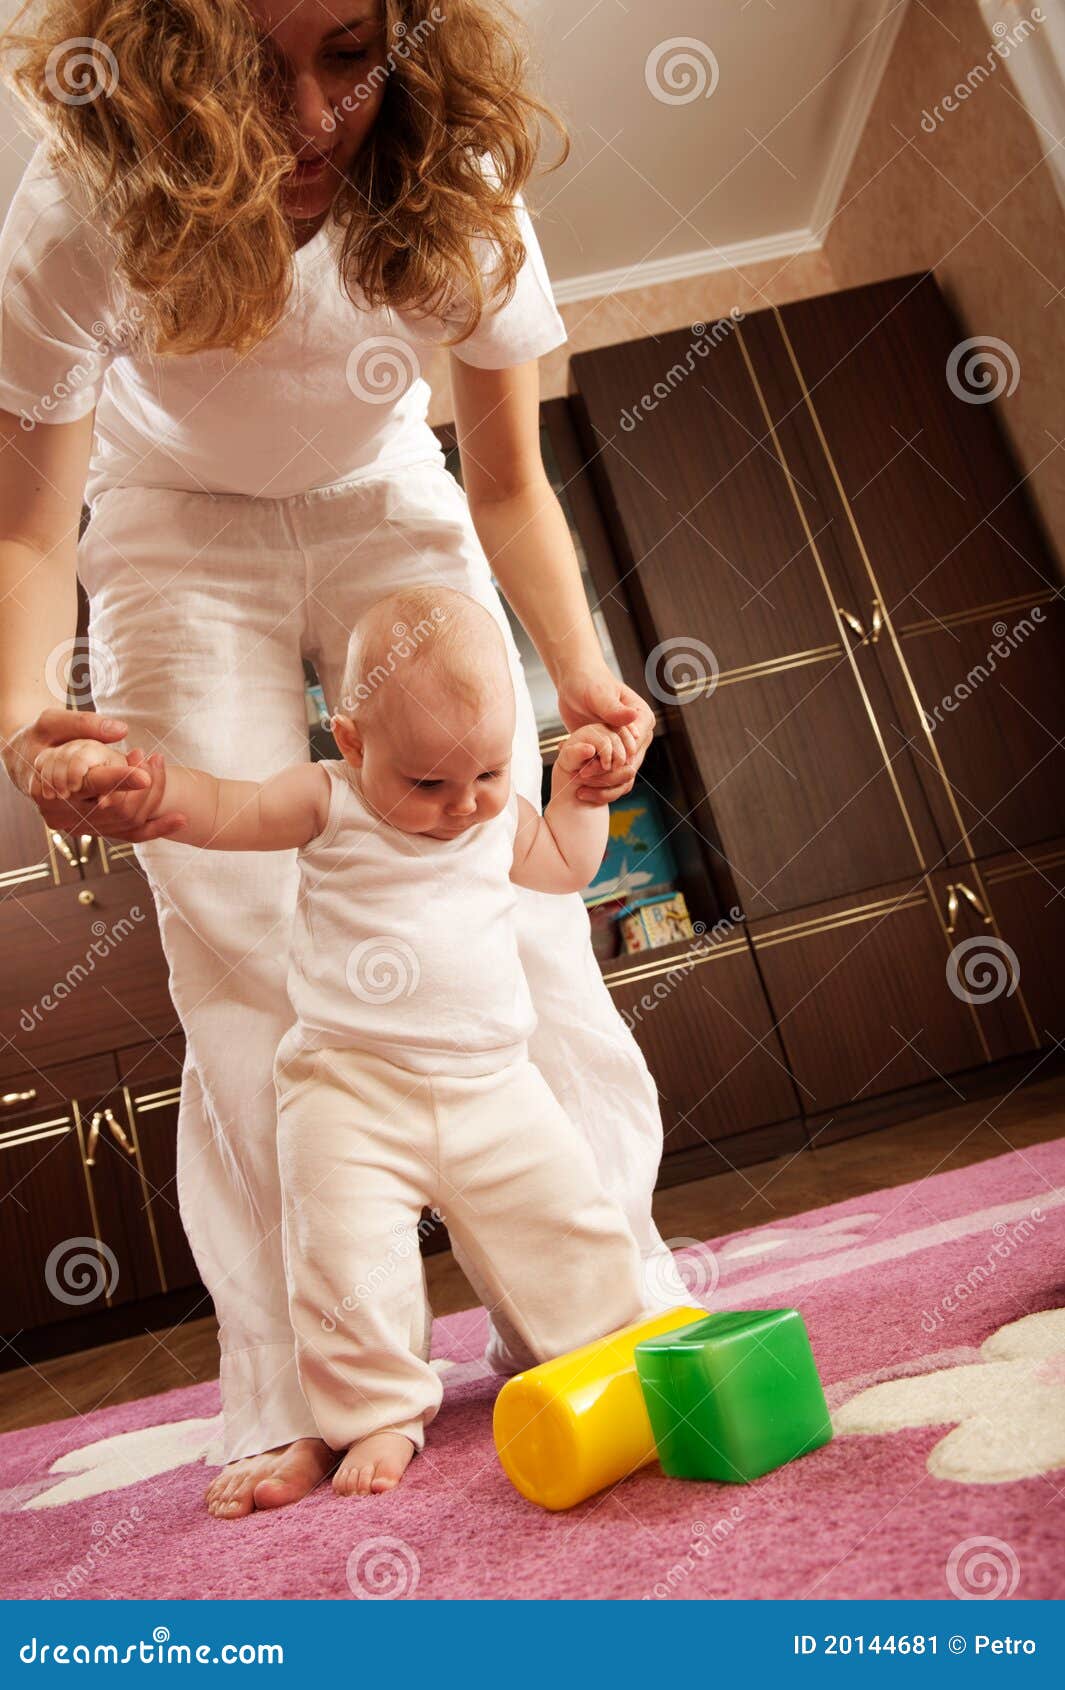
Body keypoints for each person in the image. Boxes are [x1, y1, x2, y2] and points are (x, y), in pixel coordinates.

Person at [0, 0, 686, 1518]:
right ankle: (298, 1381)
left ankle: (604, 1298)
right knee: (238, 940)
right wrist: (23, 714)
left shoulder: (458, 168)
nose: (312, 117)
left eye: (346, 52)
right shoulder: (76, 205)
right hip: (171, 522)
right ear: (167, 61)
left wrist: (579, 677)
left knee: (499, 878)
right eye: (252, 68)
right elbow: (31, 525)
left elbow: (504, 477)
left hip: (385, 491)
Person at [34, 584, 654, 1500]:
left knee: (566, 1228)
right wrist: (163, 797)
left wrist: (577, 794)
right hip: (349, 1088)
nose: (462, 805)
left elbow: (564, 868)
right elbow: (229, 808)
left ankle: (592, 1354)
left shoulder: (496, 812)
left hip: (495, 1086)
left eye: (484, 774)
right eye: (428, 784)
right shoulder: (326, 799)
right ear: (353, 741)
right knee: (342, 1263)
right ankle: (375, 1414)